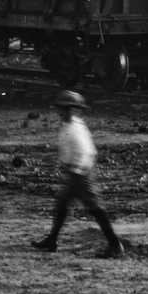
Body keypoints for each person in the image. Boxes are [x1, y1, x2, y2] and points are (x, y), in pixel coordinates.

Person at [31, 90, 124, 258]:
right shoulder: (69, 126)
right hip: (75, 173)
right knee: (62, 205)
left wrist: (77, 170)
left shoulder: (76, 128)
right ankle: (52, 239)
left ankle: (115, 245)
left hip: (80, 174)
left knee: (95, 209)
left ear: (74, 110)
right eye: (61, 108)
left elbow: (87, 151)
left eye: (66, 109)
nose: (62, 112)